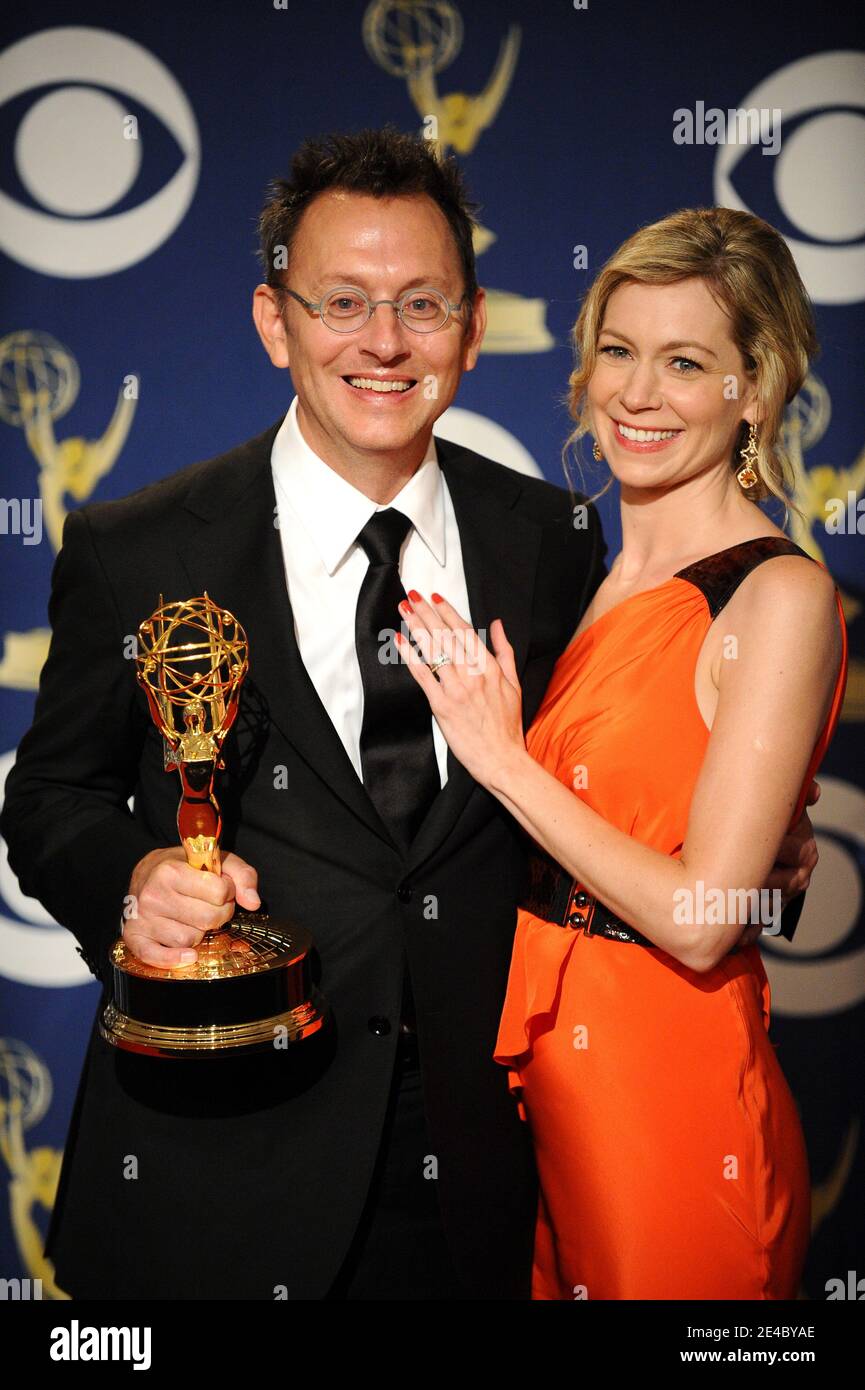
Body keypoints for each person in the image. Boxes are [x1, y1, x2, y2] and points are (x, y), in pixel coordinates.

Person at [0, 135, 816, 1301]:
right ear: (274, 322)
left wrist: (765, 867)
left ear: (473, 329)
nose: (383, 343)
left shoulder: (558, 543)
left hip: (494, 1174)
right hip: (219, 1164)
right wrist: (133, 883)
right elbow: (49, 796)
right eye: (341, 301)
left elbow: (644, 777)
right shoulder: (140, 546)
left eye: (421, 304)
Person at [396, 206, 846, 1300]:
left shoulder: (777, 594)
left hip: (667, 1091)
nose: (637, 394)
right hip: (539, 1091)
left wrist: (505, 758)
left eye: (685, 361)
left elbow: (701, 927)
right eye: (617, 350)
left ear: (755, 386)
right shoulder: (575, 565)